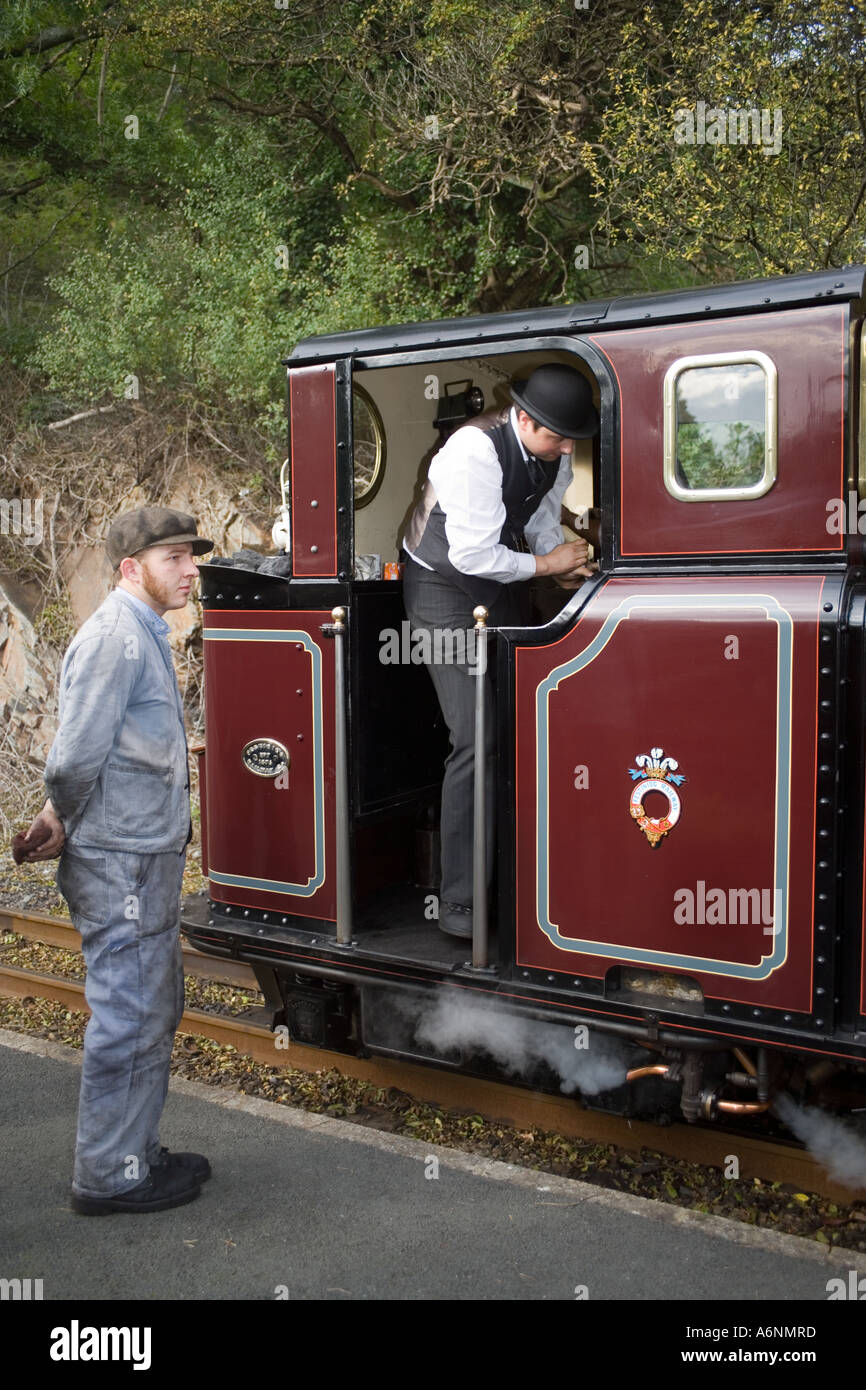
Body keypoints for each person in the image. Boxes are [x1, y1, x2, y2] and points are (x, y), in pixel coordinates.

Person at [18, 506, 214, 1214]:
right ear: (131, 568)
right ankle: (109, 1178)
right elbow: (73, 759)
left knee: (148, 1010)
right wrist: (58, 814)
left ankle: (132, 1151)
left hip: (139, 853)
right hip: (120, 859)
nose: (190, 569)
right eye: (173, 559)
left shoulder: (142, 630)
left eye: (191, 556)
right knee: (130, 1016)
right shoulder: (114, 639)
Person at [403, 363, 600, 939]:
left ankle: (518, 881)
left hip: (496, 585)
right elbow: (469, 556)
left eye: (570, 436)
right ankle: (460, 901)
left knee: (518, 730)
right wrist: (544, 565)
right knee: (476, 739)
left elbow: (536, 518)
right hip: (442, 586)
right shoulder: (473, 452)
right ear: (522, 417)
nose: (566, 446)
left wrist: (558, 559)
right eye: (556, 435)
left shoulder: (555, 448)